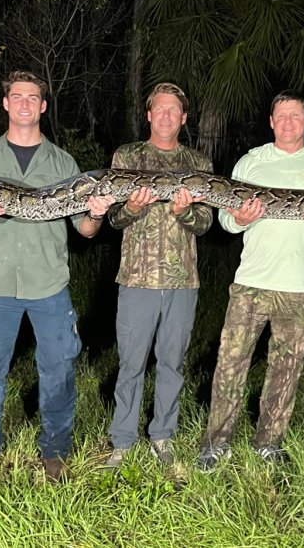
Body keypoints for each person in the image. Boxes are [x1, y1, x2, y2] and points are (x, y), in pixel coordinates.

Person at [0, 70, 114, 483]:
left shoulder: (64, 164)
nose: (24, 103)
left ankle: (55, 452)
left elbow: (85, 230)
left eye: (32, 98)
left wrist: (97, 213)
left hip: (49, 285)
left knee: (58, 369)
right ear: (6, 103)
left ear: (43, 106)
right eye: (17, 96)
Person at [196, 91, 304, 470]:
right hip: (252, 281)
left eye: (295, 115)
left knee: (287, 367)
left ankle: (269, 442)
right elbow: (226, 220)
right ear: (271, 121)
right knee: (231, 363)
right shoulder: (251, 163)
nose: (287, 122)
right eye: (281, 116)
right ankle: (216, 444)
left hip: (301, 285)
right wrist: (240, 218)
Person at [101, 83, 213, 469]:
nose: (166, 116)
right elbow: (113, 218)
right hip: (136, 279)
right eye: (159, 109)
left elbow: (204, 224)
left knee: (172, 364)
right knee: (130, 364)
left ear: (184, 118)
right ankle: (122, 440)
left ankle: (163, 436)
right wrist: (131, 208)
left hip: (183, 282)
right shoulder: (127, 156)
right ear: (148, 115)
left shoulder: (199, 164)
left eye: (173, 110)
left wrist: (185, 212)